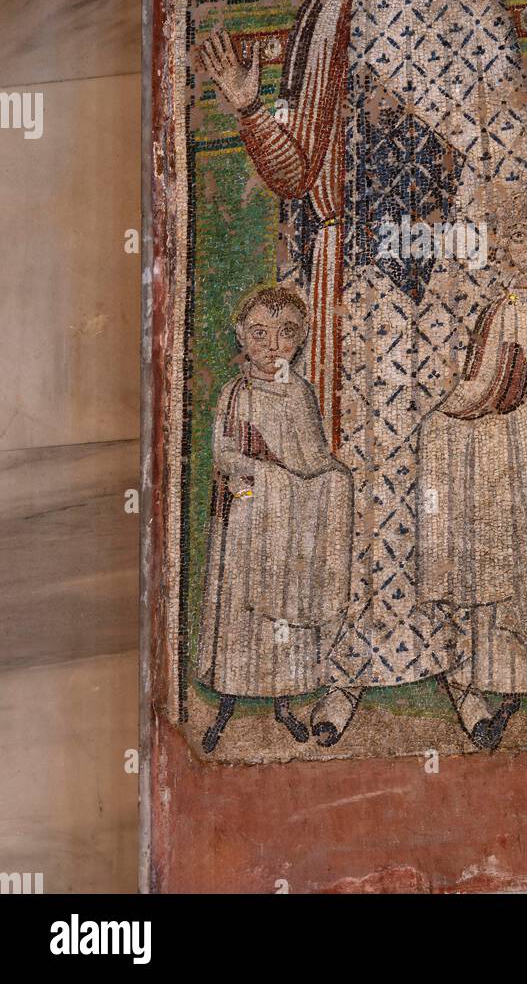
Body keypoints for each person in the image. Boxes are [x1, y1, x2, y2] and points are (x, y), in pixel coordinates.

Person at [196, 0, 527, 743]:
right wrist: (253, 108)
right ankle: (346, 674)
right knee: (365, 467)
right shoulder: (330, 7)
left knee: (447, 466)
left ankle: (462, 670)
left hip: (456, 270)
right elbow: (299, 170)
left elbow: (510, 143)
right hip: (361, 280)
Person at [417, 188, 527, 748]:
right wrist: (455, 411)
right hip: (500, 447)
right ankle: (499, 681)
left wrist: (474, 408)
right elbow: (485, 379)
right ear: (501, 249)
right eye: (519, 236)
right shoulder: (505, 305)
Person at [197, 285, 354, 753]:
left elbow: (313, 457)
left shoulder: (300, 392)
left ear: (301, 339)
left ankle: (283, 703)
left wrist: (332, 477)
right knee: (241, 612)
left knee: (283, 615)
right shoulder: (235, 392)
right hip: (247, 521)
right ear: (241, 334)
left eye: (285, 333)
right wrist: (259, 473)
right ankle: (226, 704)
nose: (271, 345)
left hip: (291, 523)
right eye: (259, 333)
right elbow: (223, 453)